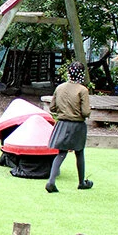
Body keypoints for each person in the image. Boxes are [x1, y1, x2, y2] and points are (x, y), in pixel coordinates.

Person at [45, 61, 93, 193]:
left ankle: (51, 181)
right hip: (77, 125)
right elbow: (85, 112)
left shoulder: (59, 88)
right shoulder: (82, 90)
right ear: (81, 74)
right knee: (79, 152)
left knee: (61, 153)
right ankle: (81, 182)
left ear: (69, 73)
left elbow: (52, 107)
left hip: (62, 123)